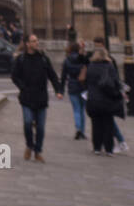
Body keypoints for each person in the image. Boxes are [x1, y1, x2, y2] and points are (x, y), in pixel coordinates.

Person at [11, 32, 62, 161]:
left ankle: (38, 151)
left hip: (41, 97)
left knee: (40, 127)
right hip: (27, 97)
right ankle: (29, 145)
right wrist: (22, 87)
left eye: (37, 40)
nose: (36, 43)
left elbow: (52, 75)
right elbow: (14, 76)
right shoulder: (21, 59)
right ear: (27, 44)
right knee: (28, 122)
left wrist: (58, 90)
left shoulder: (43, 58)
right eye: (33, 41)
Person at [82, 46, 123, 156]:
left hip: (93, 100)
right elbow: (115, 82)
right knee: (108, 125)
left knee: (96, 125)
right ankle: (109, 149)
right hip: (106, 100)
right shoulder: (109, 66)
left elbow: (86, 82)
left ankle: (97, 148)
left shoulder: (90, 66)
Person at [61, 40, 89, 139]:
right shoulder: (83, 59)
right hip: (83, 85)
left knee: (76, 109)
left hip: (72, 85)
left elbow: (63, 76)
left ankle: (78, 129)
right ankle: (82, 131)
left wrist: (61, 90)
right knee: (82, 110)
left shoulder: (67, 60)